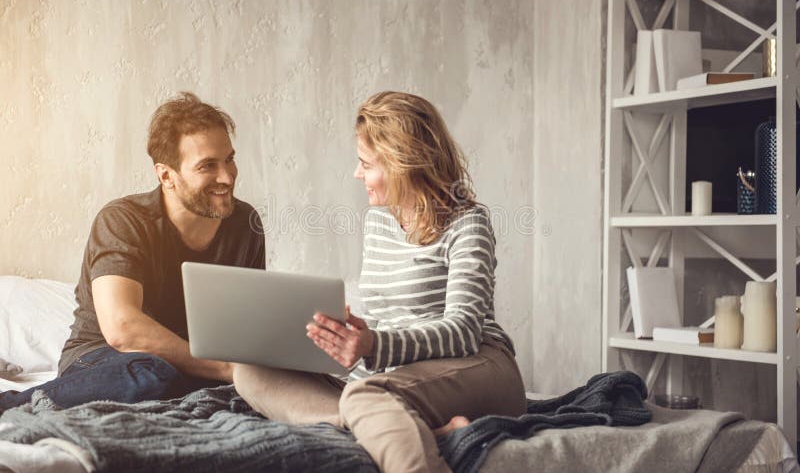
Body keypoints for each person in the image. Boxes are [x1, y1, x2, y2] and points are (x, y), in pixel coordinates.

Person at [233, 91, 525, 473]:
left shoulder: (467, 224)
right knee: (251, 371)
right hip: (397, 372)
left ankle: (381, 422)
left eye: (366, 164)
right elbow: (387, 318)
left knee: (366, 394)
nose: (357, 174)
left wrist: (373, 345)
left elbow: (464, 332)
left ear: (402, 164)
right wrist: (341, 341)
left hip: (478, 364)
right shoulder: (379, 222)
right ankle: (414, 429)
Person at [0, 92, 265, 411]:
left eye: (229, 159)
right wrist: (225, 369)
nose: (227, 176)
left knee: (277, 381)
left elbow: (247, 321)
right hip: (107, 360)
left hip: (194, 364)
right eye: (208, 166)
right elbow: (123, 330)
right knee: (152, 377)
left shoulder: (244, 222)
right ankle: (12, 403)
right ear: (166, 175)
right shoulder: (122, 220)